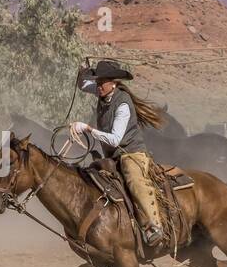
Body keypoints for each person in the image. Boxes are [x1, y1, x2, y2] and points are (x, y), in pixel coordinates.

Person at [70, 60, 165, 246]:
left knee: (134, 181)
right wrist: (82, 70)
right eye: (97, 82)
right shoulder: (102, 90)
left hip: (132, 153)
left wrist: (87, 128)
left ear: (113, 82)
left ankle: (154, 226)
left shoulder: (122, 104)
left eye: (101, 82)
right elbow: (83, 84)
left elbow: (115, 140)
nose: (98, 86)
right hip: (113, 156)